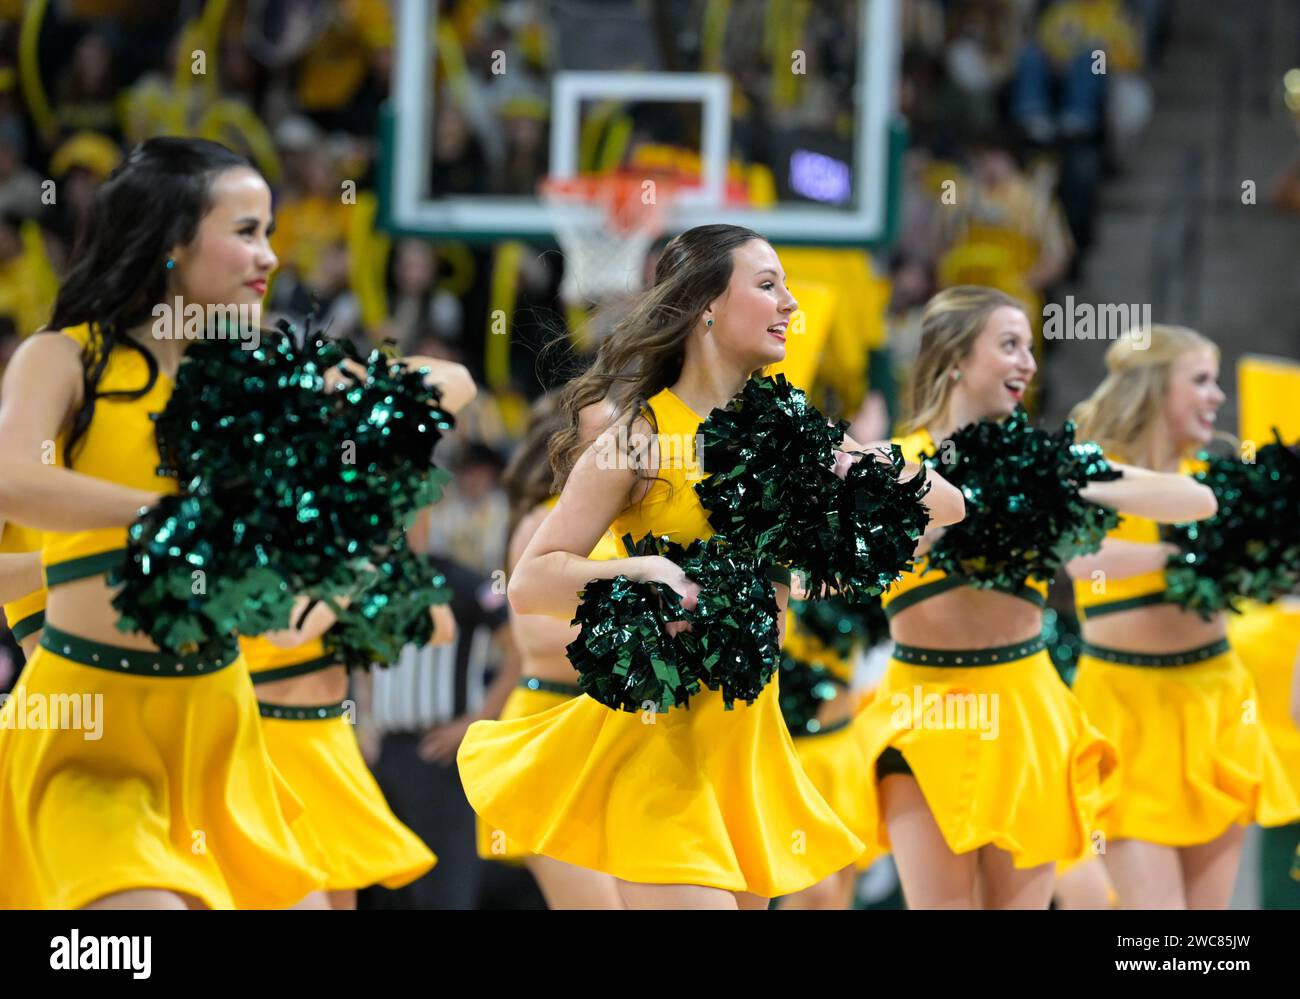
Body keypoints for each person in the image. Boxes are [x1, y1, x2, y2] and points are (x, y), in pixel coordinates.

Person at [458, 223, 966, 910]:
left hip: (746, 753)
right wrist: (638, 576)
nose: (790, 303)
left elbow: (948, 505)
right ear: (706, 306)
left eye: (787, 286)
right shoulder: (638, 437)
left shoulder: (788, 433)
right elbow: (531, 582)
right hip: (658, 748)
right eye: (767, 284)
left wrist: (856, 458)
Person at [852, 286, 1219, 909]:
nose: (1027, 361)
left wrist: (1085, 480)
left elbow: (1197, 502)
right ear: (955, 360)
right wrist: (925, 526)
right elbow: (826, 575)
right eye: (1008, 345)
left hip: (1024, 707)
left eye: (1029, 346)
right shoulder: (893, 463)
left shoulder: (1044, 463)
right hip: (924, 711)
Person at [1067, 324, 1300, 908]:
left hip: (1214, 701)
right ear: (1152, 389)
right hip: (1124, 706)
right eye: (1199, 380)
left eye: (1216, 380)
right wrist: (1180, 552)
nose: (1217, 396)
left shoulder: (1220, 483)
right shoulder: (1092, 473)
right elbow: (1083, 561)